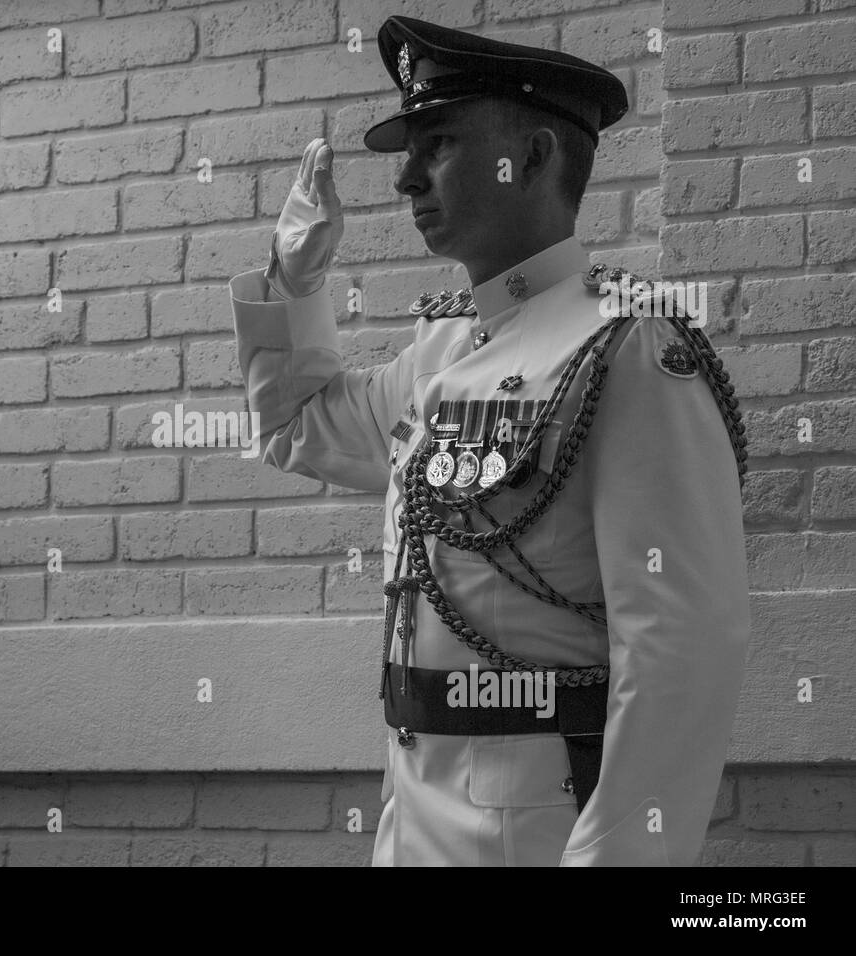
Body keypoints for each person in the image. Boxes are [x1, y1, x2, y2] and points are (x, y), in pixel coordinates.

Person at [228, 15, 750, 866]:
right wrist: (295, 281)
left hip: (536, 832)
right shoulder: (440, 352)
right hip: (413, 815)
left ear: (535, 158)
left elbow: (682, 649)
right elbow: (297, 427)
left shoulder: (629, 349)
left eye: (437, 143)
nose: (404, 179)